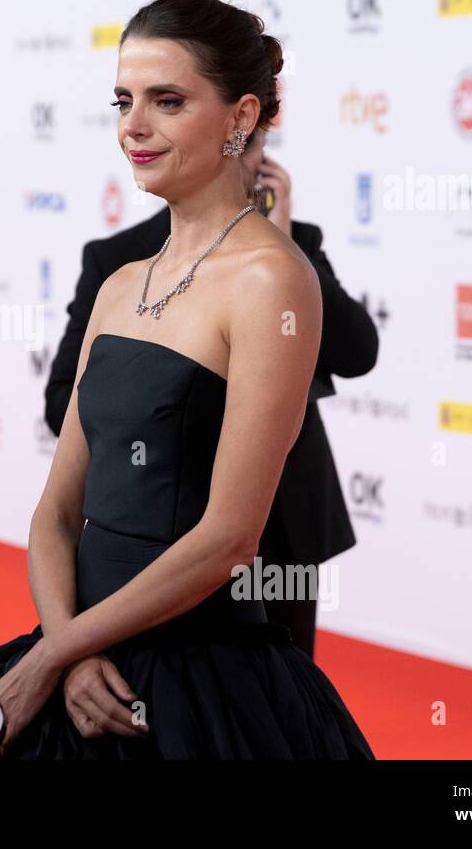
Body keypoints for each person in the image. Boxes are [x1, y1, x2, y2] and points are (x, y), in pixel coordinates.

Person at [0, 0, 373, 758]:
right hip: (84, 657)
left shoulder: (273, 280)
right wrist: (70, 651)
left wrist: (48, 658)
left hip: (198, 684)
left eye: (167, 101)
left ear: (241, 118)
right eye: (123, 101)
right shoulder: (119, 284)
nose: (133, 127)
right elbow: (55, 514)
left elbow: (228, 541)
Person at [43, 130, 378, 657]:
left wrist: (283, 246)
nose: (246, 163)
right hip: (156, 529)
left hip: (283, 529)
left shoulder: (295, 251)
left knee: (272, 696)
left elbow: (359, 353)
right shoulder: (120, 262)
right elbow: (62, 399)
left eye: (257, 153)